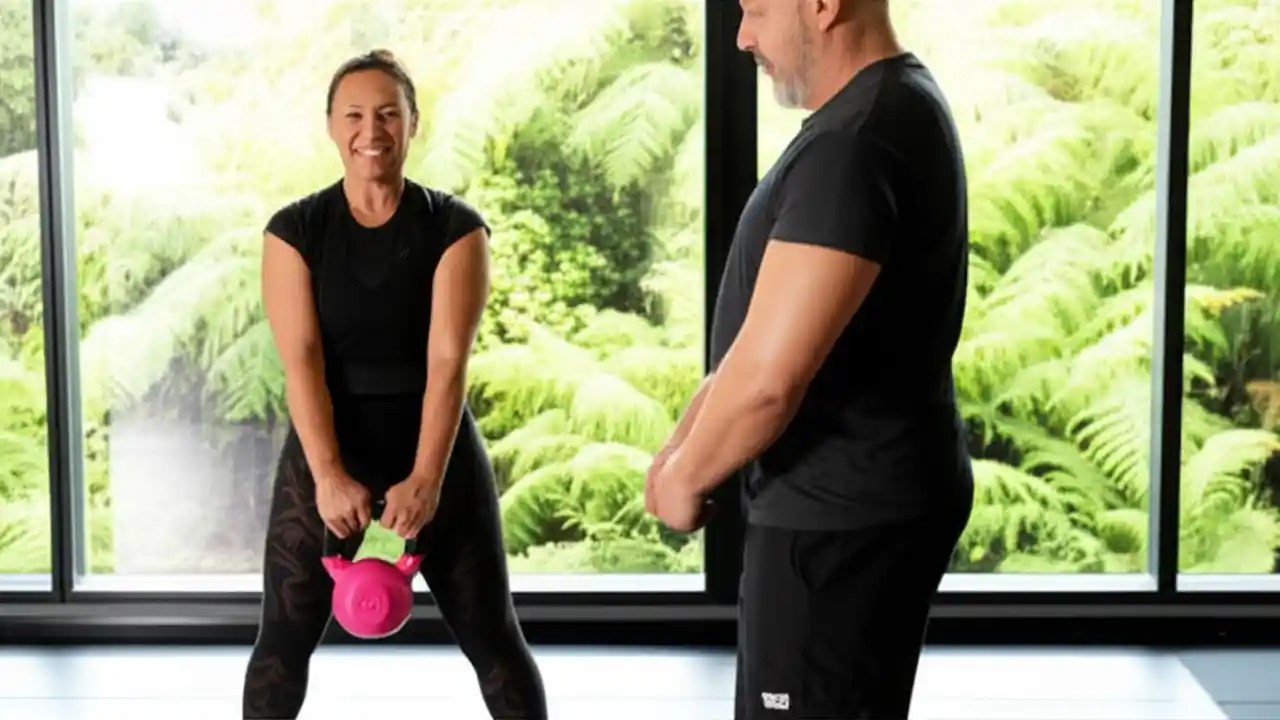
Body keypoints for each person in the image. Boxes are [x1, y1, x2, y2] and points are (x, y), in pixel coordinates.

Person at [645, 1, 975, 718]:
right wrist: (680, 448)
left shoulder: (854, 144)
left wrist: (685, 478)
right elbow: (760, 337)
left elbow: (768, 381)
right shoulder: (889, 107)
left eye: (756, 11)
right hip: (854, 509)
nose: (742, 37)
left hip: (835, 529)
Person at [242, 49, 547, 719]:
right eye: (354, 114)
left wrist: (427, 479)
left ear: (413, 123)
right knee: (281, 645)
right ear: (330, 126)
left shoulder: (454, 227)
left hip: (433, 451)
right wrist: (325, 475)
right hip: (328, 451)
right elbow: (302, 362)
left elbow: (448, 365)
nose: (370, 130)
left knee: (494, 640)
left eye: (387, 114)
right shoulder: (294, 231)